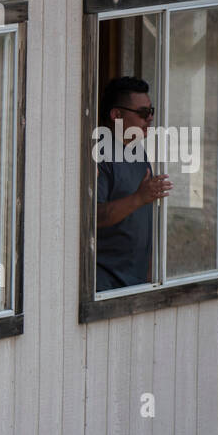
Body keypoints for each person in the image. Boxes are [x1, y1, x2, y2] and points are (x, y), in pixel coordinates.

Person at [95, 76, 174, 291]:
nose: (149, 119)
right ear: (116, 115)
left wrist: (150, 272)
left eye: (151, 112)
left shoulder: (137, 151)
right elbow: (93, 217)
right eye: (142, 113)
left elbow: (142, 218)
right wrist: (139, 198)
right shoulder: (100, 154)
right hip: (105, 283)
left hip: (136, 281)